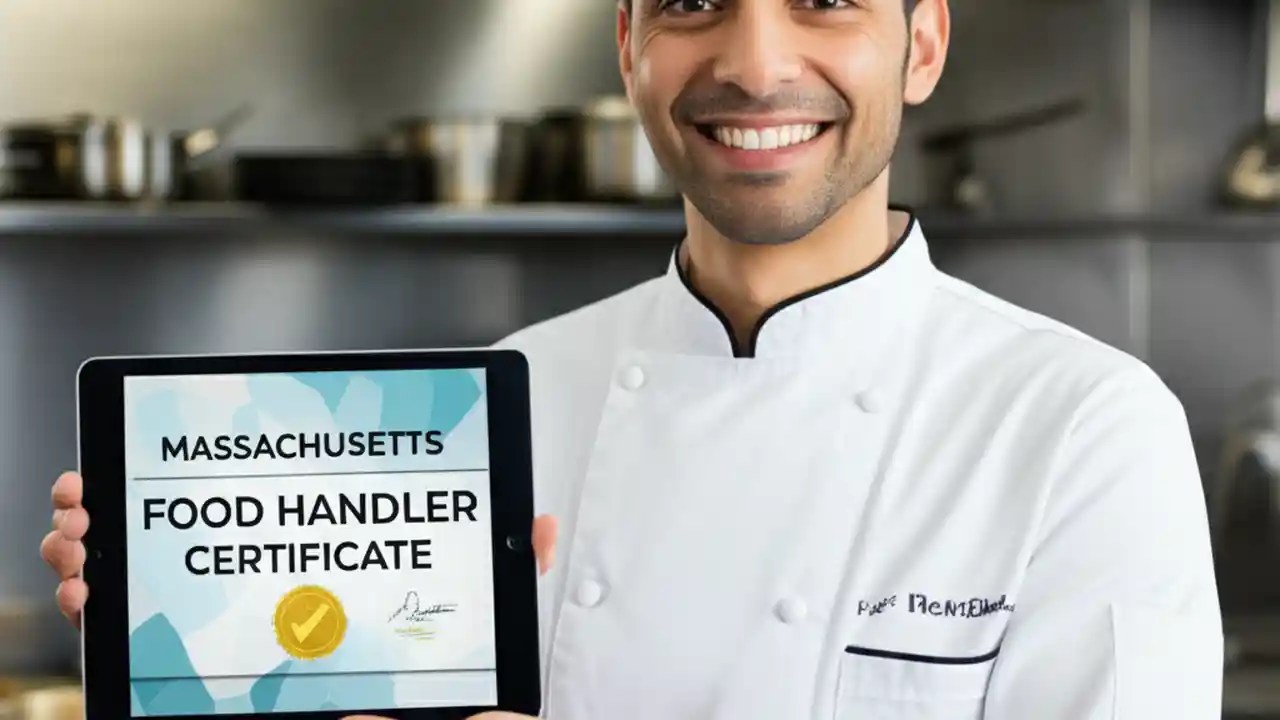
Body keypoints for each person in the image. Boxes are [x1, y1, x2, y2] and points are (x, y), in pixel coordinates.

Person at [42, 0, 1224, 717]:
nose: (753, 63)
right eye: (693, 2)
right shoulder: (499, 398)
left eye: (822, 1)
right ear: (627, 47)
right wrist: (194, 632)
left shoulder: (1081, 428)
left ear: (921, 47)